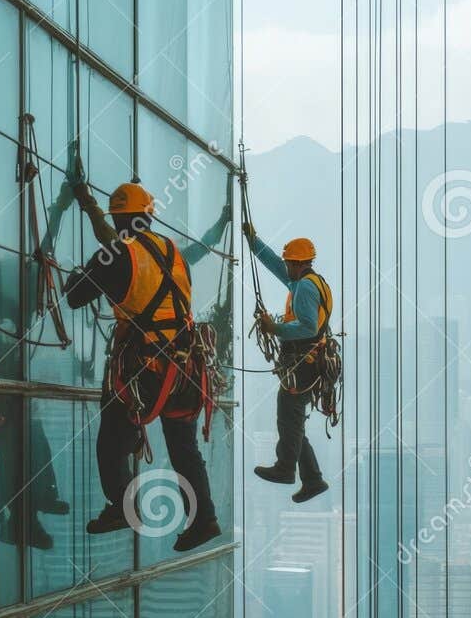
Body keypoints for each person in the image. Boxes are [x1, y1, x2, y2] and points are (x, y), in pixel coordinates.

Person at [63, 177, 221, 553]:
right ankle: (204, 520)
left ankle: (121, 507)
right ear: (148, 217)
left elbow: (74, 296)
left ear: (118, 220)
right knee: (184, 447)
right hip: (184, 368)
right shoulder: (171, 250)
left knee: (111, 440)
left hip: (145, 370)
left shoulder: (118, 252)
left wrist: (76, 272)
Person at [243, 223, 333, 503]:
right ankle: (313, 479)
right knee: (293, 422)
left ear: (298, 263)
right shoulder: (309, 281)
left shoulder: (305, 287)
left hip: (304, 363)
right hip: (309, 362)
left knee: (288, 417)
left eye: (289, 264)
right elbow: (275, 267)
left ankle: (285, 469)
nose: (287, 268)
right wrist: (254, 242)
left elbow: (307, 327)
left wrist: (274, 329)